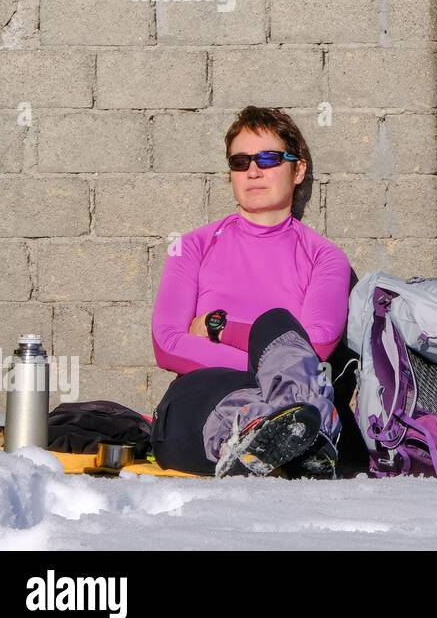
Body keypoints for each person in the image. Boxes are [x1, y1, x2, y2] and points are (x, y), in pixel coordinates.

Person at [149, 107, 353, 478]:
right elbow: (167, 343)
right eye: (240, 162)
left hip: (293, 395)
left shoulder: (326, 258)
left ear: (299, 169)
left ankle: (283, 434)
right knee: (269, 361)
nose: (253, 171)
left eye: (269, 158)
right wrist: (271, 367)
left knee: (275, 324)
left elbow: (317, 344)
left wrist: (220, 329)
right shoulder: (192, 246)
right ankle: (281, 437)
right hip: (203, 397)